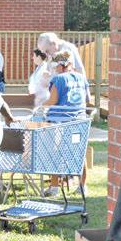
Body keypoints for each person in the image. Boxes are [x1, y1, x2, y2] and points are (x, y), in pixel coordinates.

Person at [41, 50, 90, 196]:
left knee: (54, 153)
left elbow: (53, 101)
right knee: (80, 154)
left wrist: (41, 106)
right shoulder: (82, 78)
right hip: (79, 121)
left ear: (62, 65)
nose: (55, 70)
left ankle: (54, 187)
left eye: (56, 67)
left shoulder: (59, 79)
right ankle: (82, 186)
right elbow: (86, 99)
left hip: (60, 122)